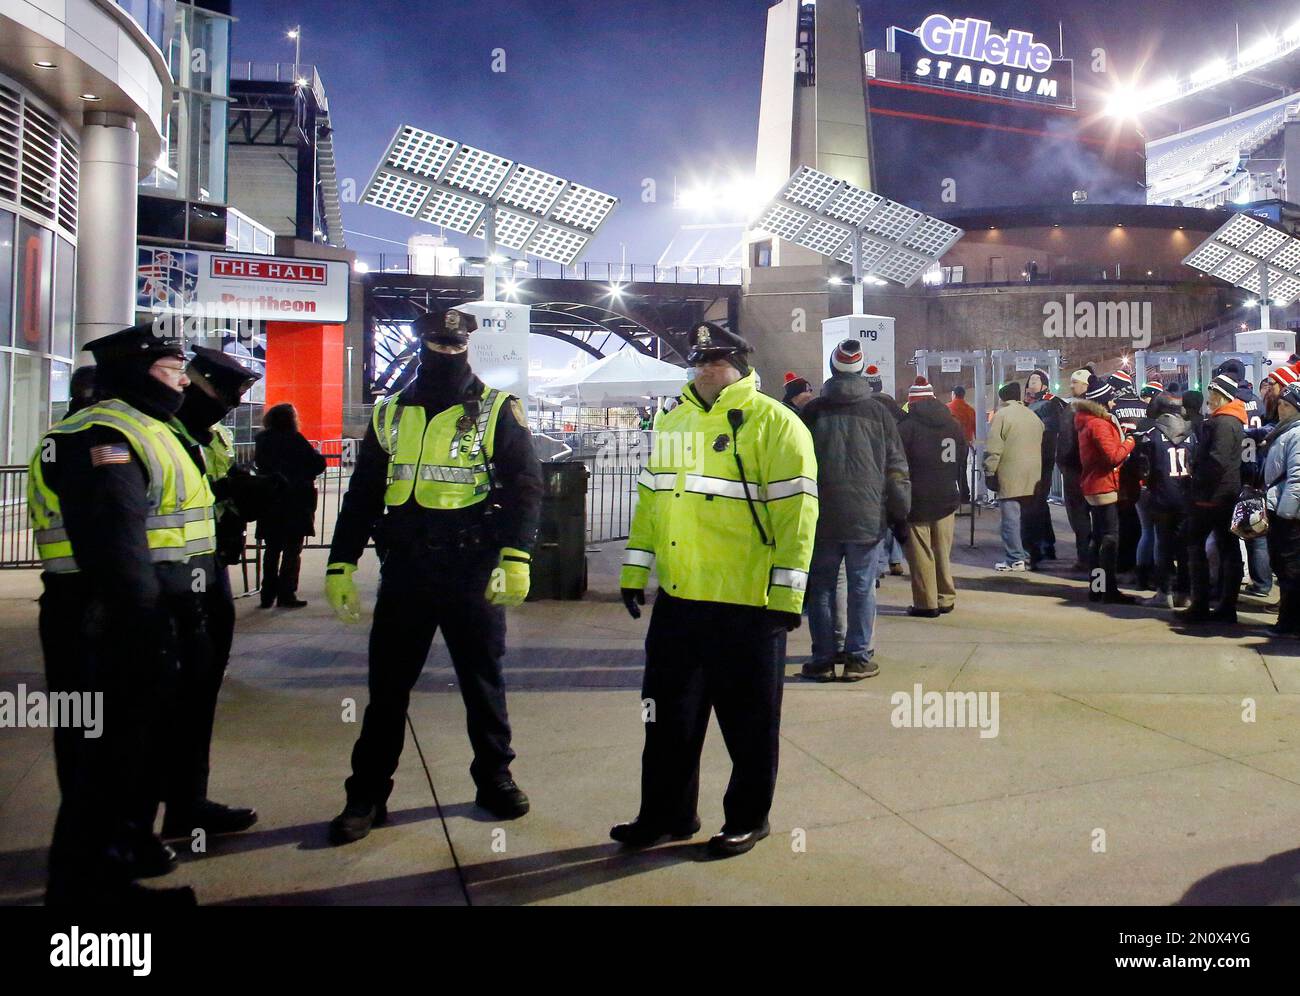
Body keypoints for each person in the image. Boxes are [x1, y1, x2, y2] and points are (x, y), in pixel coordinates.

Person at [324, 306, 543, 844]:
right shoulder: (390, 412)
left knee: (482, 682)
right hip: (406, 571)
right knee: (387, 690)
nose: (444, 353)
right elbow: (363, 493)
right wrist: (340, 559)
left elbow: (525, 486)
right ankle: (366, 794)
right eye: (436, 345)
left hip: (471, 568)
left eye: (453, 346)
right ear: (424, 345)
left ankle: (494, 778)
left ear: (468, 346)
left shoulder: (497, 409)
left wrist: (517, 556)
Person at [27, 322, 215, 906]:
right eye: (168, 369)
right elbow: (114, 546)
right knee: (101, 759)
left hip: (129, 617)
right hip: (107, 622)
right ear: (135, 373)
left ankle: (120, 856)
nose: (183, 380)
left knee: (126, 754)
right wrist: (146, 626)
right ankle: (87, 894)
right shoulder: (103, 435)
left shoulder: (146, 427)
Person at [614, 321, 818, 857]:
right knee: (666, 719)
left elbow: (798, 516)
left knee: (749, 725)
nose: (708, 368)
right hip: (680, 601)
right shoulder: (674, 420)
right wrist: (636, 570)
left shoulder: (777, 423)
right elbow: (651, 502)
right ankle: (665, 814)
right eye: (701, 360)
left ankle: (749, 818)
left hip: (747, 605)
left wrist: (786, 597)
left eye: (719, 360)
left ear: (743, 366)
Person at [156, 345, 264, 842]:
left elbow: (214, 488)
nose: (228, 406)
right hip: (165, 581)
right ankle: (134, 825)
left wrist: (243, 495)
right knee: (159, 702)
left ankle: (186, 804)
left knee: (198, 695)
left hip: (206, 569)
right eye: (223, 395)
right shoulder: (159, 434)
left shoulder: (205, 433)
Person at [800, 339, 908, 680]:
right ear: (861, 371)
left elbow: (796, 463)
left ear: (832, 369)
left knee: (821, 587)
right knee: (861, 587)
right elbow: (896, 468)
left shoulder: (813, 412)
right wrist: (901, 510)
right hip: (867, 517)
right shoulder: (879, 413)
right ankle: (858, 657)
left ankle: (823, 657)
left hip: (821, 516)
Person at [1183, 373, 1248, 625]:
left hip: (1212, 497)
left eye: (1211, 394)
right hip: (1224, 493)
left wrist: (1196, 477)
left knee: (1196, 545)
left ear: (1219, 395)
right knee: (1227, 548)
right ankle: (1224, 605)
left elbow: (1217, 461)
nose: (1208, 399)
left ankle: (1202, 604)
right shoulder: (1231, 420)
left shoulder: (1223, 422)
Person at [898, 378, 963, 616]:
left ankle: (926, 603)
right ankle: (946, 597)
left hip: (917, 498)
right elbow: (961, 458)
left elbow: (899, 465)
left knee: (921, 552)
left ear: (912, 402)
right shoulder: (953, 424)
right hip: (947, 494)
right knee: (942, 551)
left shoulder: (906, 427)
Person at [255, 403, 326, 609]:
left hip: (270, 499)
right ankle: (287, 593)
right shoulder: (295, 439)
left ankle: (267, 593)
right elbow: (318, 464)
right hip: (295, 500)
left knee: (272, 549)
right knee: (292, 549)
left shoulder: (262, 440)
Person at [1075, 376, 1137, 604]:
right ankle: (1108, 589)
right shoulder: (1099, 424)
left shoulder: (1086, 421)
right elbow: (1113, 456)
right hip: (1103, 485)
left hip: (1093, 484)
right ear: (1102, 401)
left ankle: (1097, 587)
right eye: (1110, 400)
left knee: (1098, 537)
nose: (1113, 404)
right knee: (1109, 538)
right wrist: (1130, 441)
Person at [1137, 393, 1194, 608]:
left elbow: (1144, 470)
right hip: (1186, 496)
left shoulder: (1151, 435)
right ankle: (1184, 592)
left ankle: (1164, 592)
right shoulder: (1192, 434)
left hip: (1161, 496)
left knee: (1163, 545)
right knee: (1184, 547)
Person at [984, 381, 1043, 572]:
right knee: (1027, 519)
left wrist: (990, 471)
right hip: (1033, 476)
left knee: (1010, 519)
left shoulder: (1002, 415)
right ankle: (1027, 555)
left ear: (1002, 398)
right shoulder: (1033, 416)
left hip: (1010, 474)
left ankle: (1014, 559)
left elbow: (994, 448)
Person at [1263, 381, 1300, 636]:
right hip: (1281, 507)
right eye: (1280, 404)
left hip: (1290, 513)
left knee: (1290, 567)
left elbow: (1297, 478)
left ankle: (1289, 623)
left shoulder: (1296, 434)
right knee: (1284, 566)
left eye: (1286, 406)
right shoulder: (1285, 430)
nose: (1281, 410)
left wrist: (1286, 513)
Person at [1109, 371, 1149, 581]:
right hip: (1141, 466)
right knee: (1140, 519)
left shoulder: (1114, 409)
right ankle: (1137, 560)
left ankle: (1123, 561)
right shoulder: (1144, 406)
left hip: (1122, 466)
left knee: (1122, 518)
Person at [1055, 369, 1093, 571]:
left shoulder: (1072, 409)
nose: (1071, 386)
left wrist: (1063, 465)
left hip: (1074, 471)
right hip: (1095, 470)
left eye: (1075, 383)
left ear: (1086, 385)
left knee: (1078, 514)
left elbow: (1065, 442)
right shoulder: (1100, 406)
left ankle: (1084, 557)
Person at [1022, 369, 1058, 567]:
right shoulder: (1031, 405)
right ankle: (1046, 545)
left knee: (1036, 503)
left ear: (1044, 385)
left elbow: (1049, 434)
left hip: (1041, 461)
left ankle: (1038, 546)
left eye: (1036, 379)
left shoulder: (1048, 405)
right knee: (1039, 503)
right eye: (1030, 380)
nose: (1031, 383)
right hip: (1032, 461)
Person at [948, 384, 976, 505]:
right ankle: (965, 495)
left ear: (953, 394)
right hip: (964, 443)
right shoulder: (970, 410)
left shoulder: (947, 408)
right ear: (963, 395)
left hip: (948, 444)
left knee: (949, 469)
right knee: (962, 469)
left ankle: (950, 495)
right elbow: (975, 427)